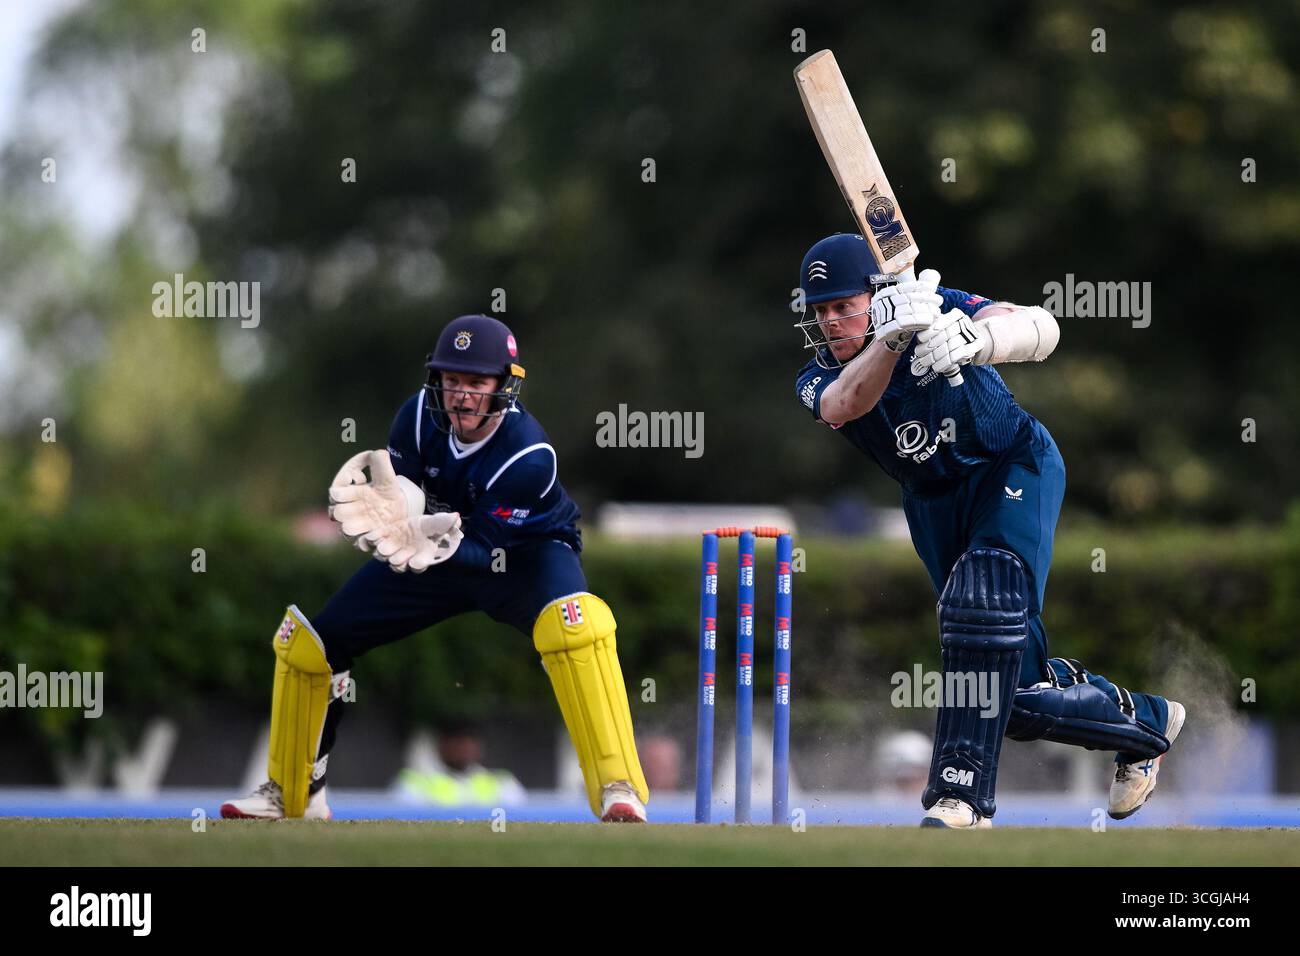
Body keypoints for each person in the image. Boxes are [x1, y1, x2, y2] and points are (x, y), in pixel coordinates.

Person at [793, 233, 1185, 829]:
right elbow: (844, 404)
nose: (831, 321)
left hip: (1011, 464)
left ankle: (962, 797)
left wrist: (980, 340)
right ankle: (1147, 722)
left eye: (843, 305)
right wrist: (894, 342)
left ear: (874, 295)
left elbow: (1043, 329)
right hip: (932, 503)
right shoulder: (820, 373)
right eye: (820, 311)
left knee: (981, 598)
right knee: (1015, 697)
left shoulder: (933, 302)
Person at [222, 314, 649, 823]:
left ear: (504, 386)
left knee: (577, 626)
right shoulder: (417, 415)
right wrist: (395, 516)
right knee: (310, 644)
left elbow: (488, 547)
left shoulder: (530, 455)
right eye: (451, 381)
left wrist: (423, 538)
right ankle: (292, 795)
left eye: (475, 383)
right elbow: (400, 492)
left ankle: (617, 787)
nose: (461, 396)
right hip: (430, 546)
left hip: (523, 555)